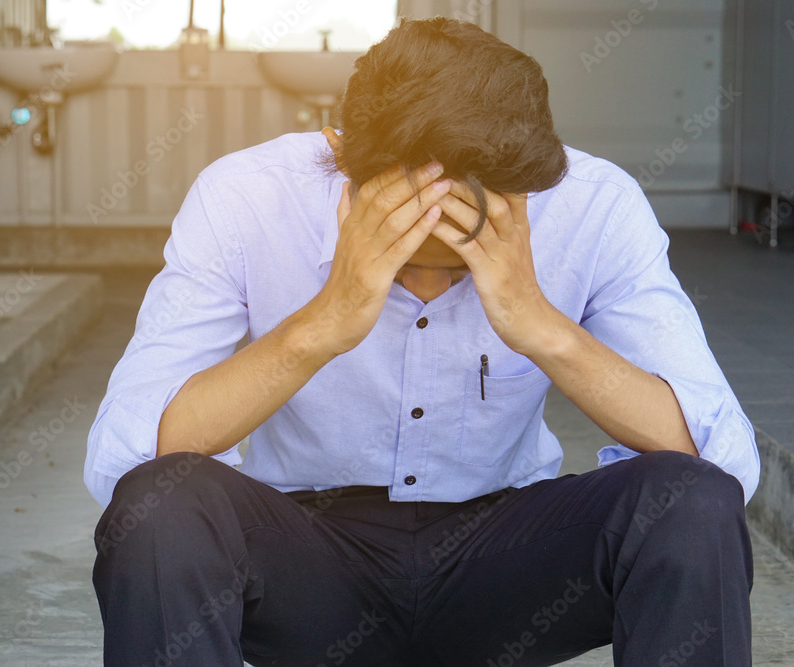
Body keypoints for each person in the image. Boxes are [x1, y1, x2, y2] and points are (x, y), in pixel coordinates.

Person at [86, 16, 759, 667]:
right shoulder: (245, 198)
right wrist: (325, 322)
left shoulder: (594, 204)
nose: (428, 283)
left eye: (460, 260)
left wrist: (539, 323)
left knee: (690, 503)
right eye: (405, 254)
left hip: (506, 562)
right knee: (158, 508)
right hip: (309, 562)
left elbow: (722, 459)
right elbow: (125, 453)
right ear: (341, 159)